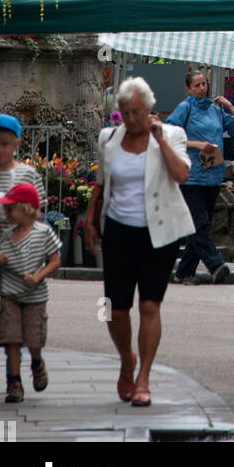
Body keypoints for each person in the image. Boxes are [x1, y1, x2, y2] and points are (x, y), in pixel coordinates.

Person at [84, 76, 194, 408]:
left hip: (158, 233)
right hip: (118, 230)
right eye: (124, 112)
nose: (130, 119)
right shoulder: (109, 138)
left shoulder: (173, 135)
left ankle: (143, 377)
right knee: (112, 309)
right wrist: (90, 220)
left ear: (149, 110)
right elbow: (100, 185)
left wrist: (159, 140)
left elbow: (182, 175)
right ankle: (126, 360)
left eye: (136, 113)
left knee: (149, 305)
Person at [0, 114, 45, 399]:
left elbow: (39, 216)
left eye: (4, 144)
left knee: (15, 316)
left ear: (16, 143)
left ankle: (17, 376)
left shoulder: (28, 175)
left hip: (19, 256)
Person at [166, 69, 234, 285]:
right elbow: (169, 135)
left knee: (201, 225)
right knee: (199, 223)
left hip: (212, 175)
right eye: (198, 85)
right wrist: (197, 144)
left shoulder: (216, 109)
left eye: (205, 84)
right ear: (188, 89)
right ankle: (215, 264)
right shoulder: (186, 107)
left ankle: (184, 272)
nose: (203, 88)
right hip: (191, 176)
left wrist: (229, 106)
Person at [0, 182, 61, 403]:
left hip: (35, 296)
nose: (6, 212)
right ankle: (14, 382)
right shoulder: (6, 235)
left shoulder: (43, 232)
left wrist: (39, 276)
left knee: (34, 338)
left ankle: (37, 361)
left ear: (26, 208)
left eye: (11, 208)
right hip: (10, 294)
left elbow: (55, 260)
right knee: (11, 338)